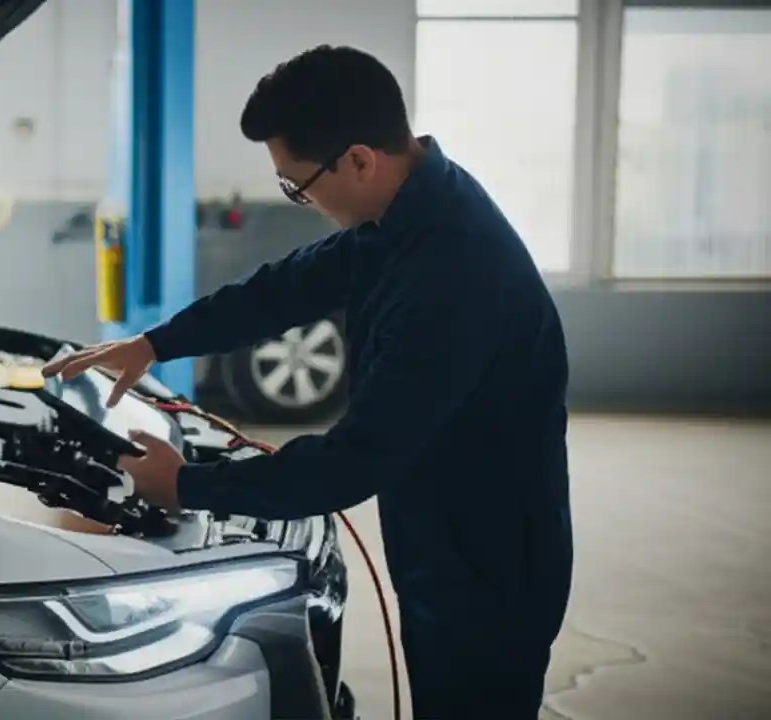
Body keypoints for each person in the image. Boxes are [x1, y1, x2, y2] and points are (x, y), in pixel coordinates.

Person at [42, 45, 572, 718]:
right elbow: (287, 288)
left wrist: (186, 485)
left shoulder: (451, 276)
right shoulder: (408, 210)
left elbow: (352, 463)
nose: (301, 200)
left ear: (357, 159)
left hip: (487, 567)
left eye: (299, 184)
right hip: (446, 534)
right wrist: (155, 343)